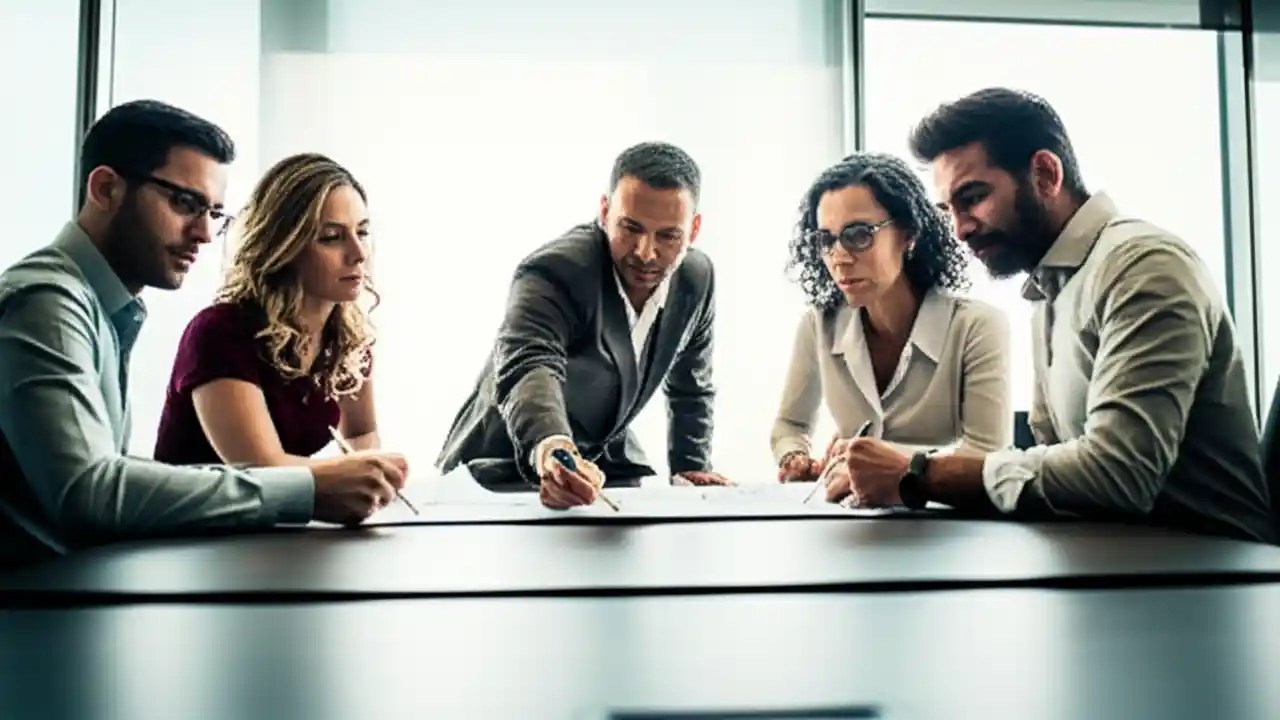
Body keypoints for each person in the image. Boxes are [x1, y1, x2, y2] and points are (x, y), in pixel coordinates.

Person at [832, 87, 1274, 543]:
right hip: (1122, 558)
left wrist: (918, 473)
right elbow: (1054, 462)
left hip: (1214, 575)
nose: (960, 230)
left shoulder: (1144, 268)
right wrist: (903, 465)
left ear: (1045, 174)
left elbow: (1119, 473)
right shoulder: (1053, 285)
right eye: (949, 210)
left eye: (974, 197)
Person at [0, 100, 408, 567]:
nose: (205, 234)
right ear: (107, 188)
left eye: (213, 212)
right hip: (31, 607)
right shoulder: (47, 302)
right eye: (185, 204)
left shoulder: (106, 308)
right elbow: (87, 492)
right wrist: (311, 486)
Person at [436, 141, 730, 508]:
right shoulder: (554, 270)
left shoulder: (696, 278)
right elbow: (531, 367)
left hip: (608, 467)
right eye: (630, 228)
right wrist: (553, 447)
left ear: (695, 229)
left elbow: (691, 388)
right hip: (499, 468)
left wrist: (691, 472)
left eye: (668, 236)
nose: (645, 252)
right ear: (604, 211)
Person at [772, 152, 1009, 485]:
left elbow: (987, 456)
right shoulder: (818, 327)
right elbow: (789, 426)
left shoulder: (976, 328)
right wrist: (794, 457)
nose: (839, 257)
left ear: (908, 234)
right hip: (851, 525)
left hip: (949, 527)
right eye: (826, 240)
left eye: (858, 235)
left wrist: (868, 460)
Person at [154, 153, 383, 470]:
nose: (358, 254)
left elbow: (362, 433)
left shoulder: (348, 336)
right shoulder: (221, 333)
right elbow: (262, 470)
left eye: (363, 232)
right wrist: (362, 473)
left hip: (278, 518)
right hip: (200, 517)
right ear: (283, 246)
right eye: (331, 237)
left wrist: (376, 477)